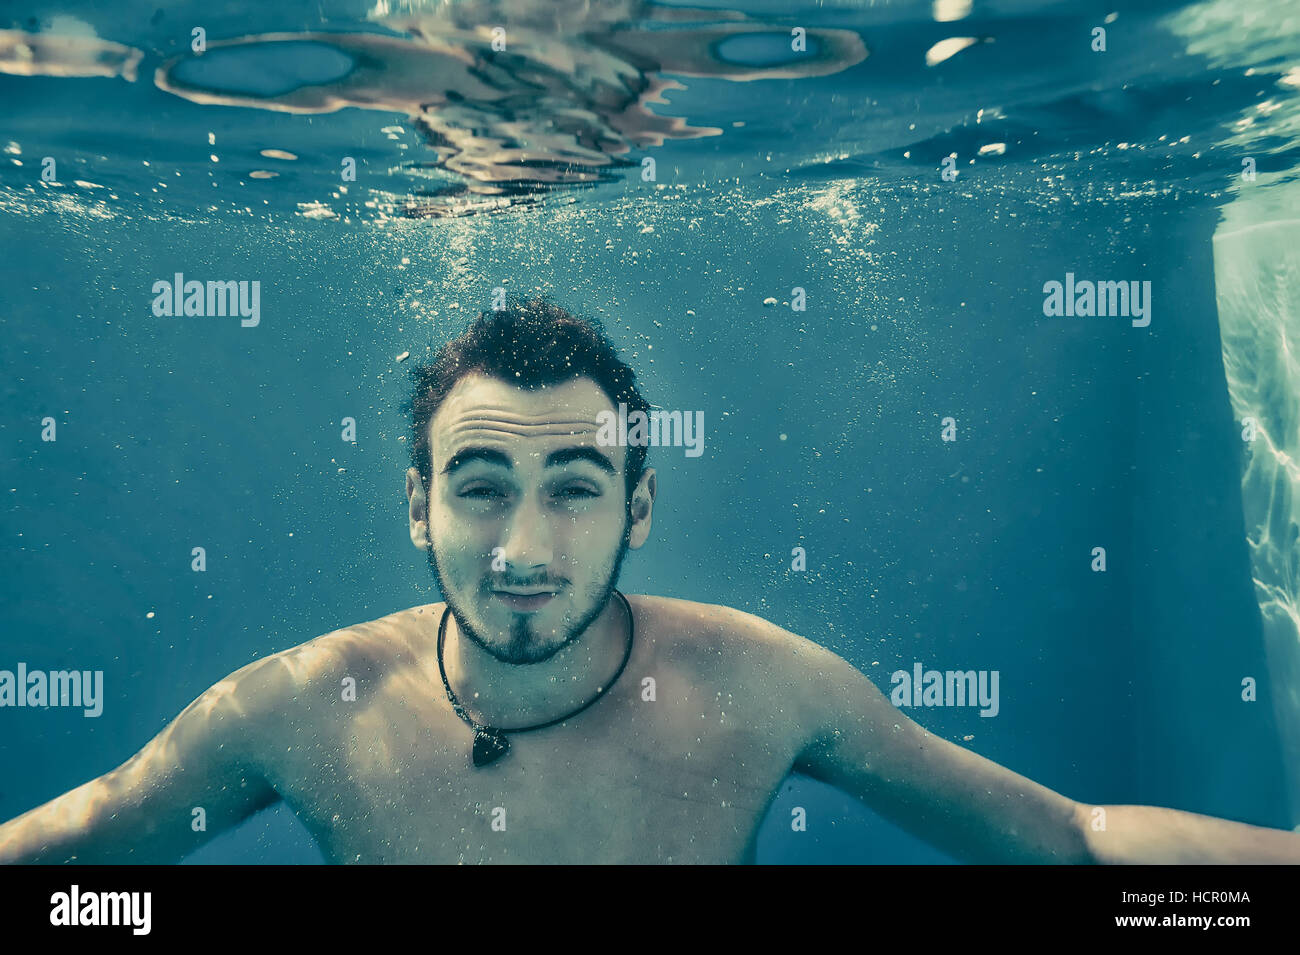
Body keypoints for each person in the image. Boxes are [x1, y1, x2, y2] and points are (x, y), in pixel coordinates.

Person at [1, 297, 1297, 864]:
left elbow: (1071, 841)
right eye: (479, 485)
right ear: (415, 506)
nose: (523, 547)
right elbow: (74, 853)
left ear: (640, 506)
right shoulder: (300, 709)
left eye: (575, 486)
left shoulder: (753, 687)